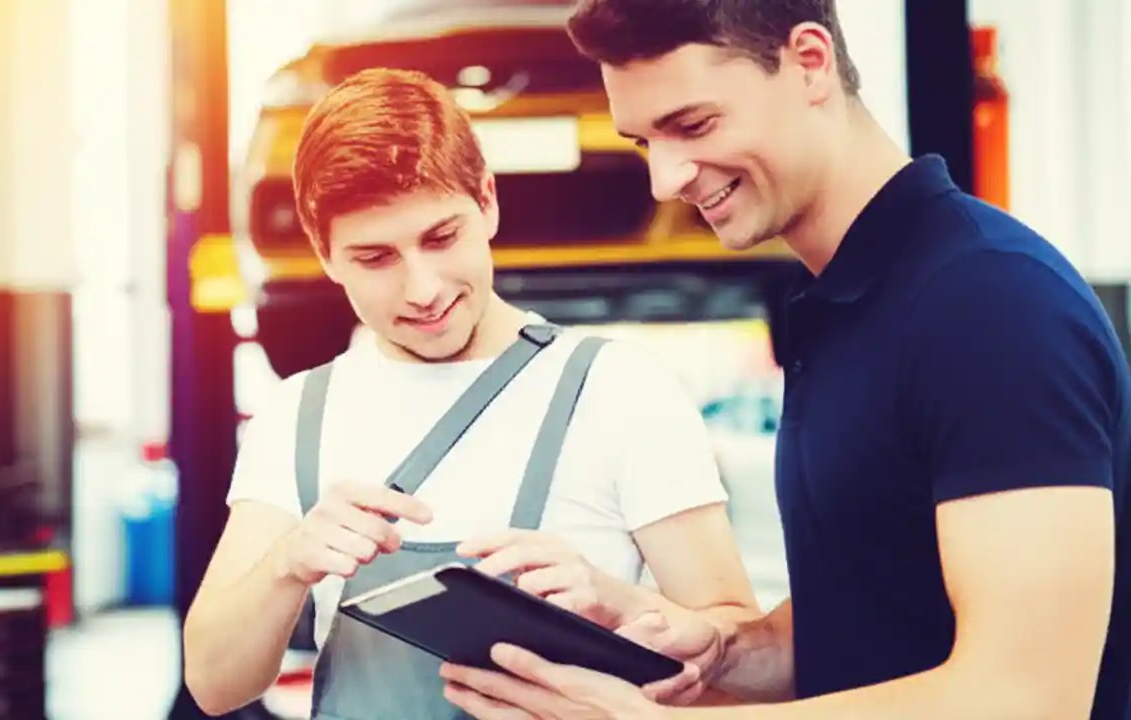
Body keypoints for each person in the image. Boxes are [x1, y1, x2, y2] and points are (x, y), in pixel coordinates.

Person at [439, 1, 1131, 719]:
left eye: (693, 125)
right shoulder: (841, 307)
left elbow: (1029, 698)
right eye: (646, 143)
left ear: (809, 62)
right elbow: (878, 621)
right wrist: (720, 644)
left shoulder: (989, 301)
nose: (666, 179)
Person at [181, 67, 762, 718]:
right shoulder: (297, 416)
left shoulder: (619, 389)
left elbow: (742, 666)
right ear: (324, 252)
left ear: (486, 201)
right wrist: (286, 566)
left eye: (441, 237)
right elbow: (212, 684)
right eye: (376, 259)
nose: (423, 288)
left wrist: (612, 608)